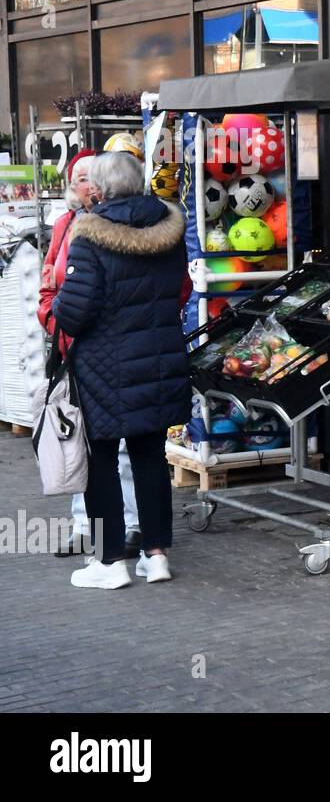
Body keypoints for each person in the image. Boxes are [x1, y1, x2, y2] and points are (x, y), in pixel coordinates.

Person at [53, 152, 191, 589]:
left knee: (102, 462)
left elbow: (73, 312)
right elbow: (178, 292)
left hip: (104, 369)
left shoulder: (90, 236)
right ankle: (157, 556)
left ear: (100, 189)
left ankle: (111, 561)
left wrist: (55, 307)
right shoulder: (169, 232)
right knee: (151, 458)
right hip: (159, 360)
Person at [38, 150, 142, 559]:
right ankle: (85, 526)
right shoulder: (64, 227)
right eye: (80, 178)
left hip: (109, 350)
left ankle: (130, 526)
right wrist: (52, 320)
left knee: (120, 446)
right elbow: (50, 281)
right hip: (73, 349)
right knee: (75, 438)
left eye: (91, 177)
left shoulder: (119, 225)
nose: (87, 185)